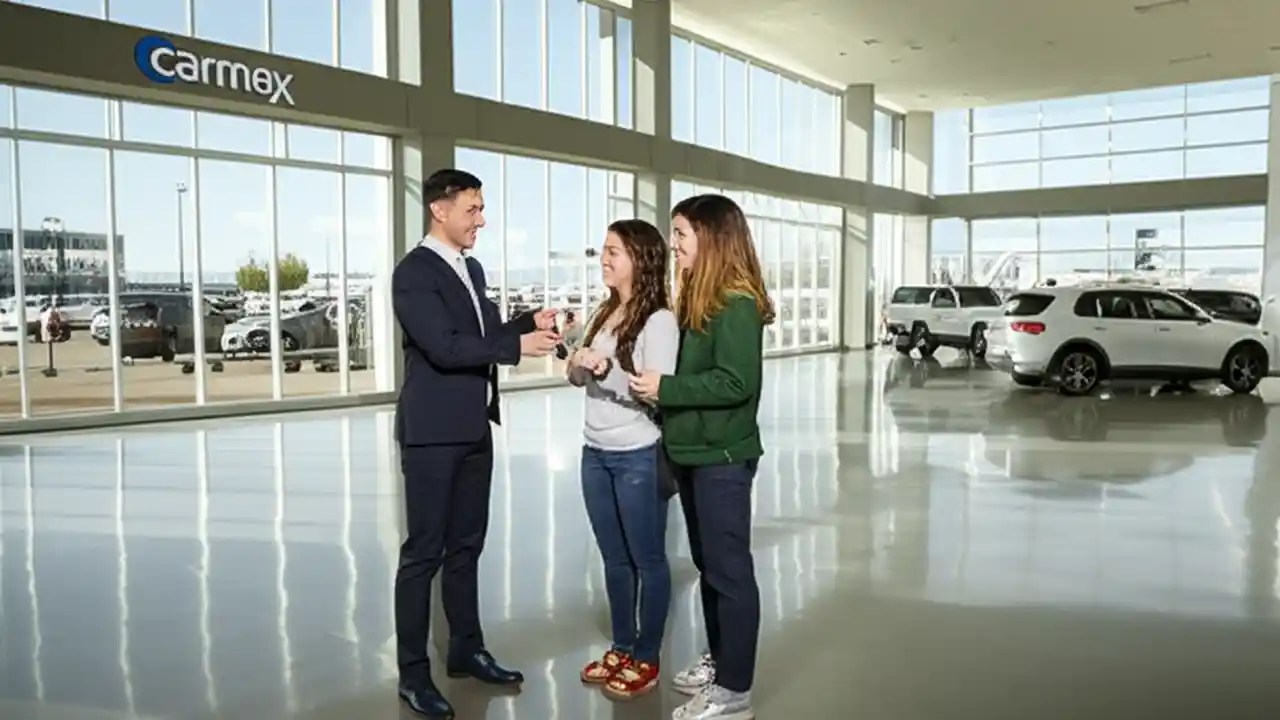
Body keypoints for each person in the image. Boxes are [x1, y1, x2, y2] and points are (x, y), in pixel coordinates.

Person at [392, 168, 560, 719]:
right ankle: (414, 675)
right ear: (440, 210)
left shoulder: (471, 267)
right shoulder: (413, 273)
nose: (481, 219)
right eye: (473, 208)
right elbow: (444, 347)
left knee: (467, 547)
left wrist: (525, 323)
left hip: (472, 429)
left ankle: (466, 648)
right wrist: (516, 348)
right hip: (432, 434)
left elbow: (482, 331)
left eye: (482, 208)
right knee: (423, 555)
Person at [628, 194, 773, 720]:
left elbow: (736, 382)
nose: (675, 245)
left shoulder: (736, 303)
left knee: (729, 572)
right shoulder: (698, 298)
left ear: (711, 238)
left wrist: (666, 389)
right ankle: (724, 659)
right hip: (692, 452)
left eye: (683, 234)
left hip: (722, 458)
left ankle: (735, 692)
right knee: (711, 567)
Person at [567, 220, 679, 700]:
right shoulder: (604, 312)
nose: (604, 259)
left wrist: (606, 368)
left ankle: (647, 656)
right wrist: (576, 364)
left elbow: (657, 393)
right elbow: (580, 381)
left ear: (640, 258)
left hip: (637, 455)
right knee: (614, 559)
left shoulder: (658, 320)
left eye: (614, 251)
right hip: (595, 452)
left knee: (647, 560)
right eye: (604, 251)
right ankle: (622, 645)